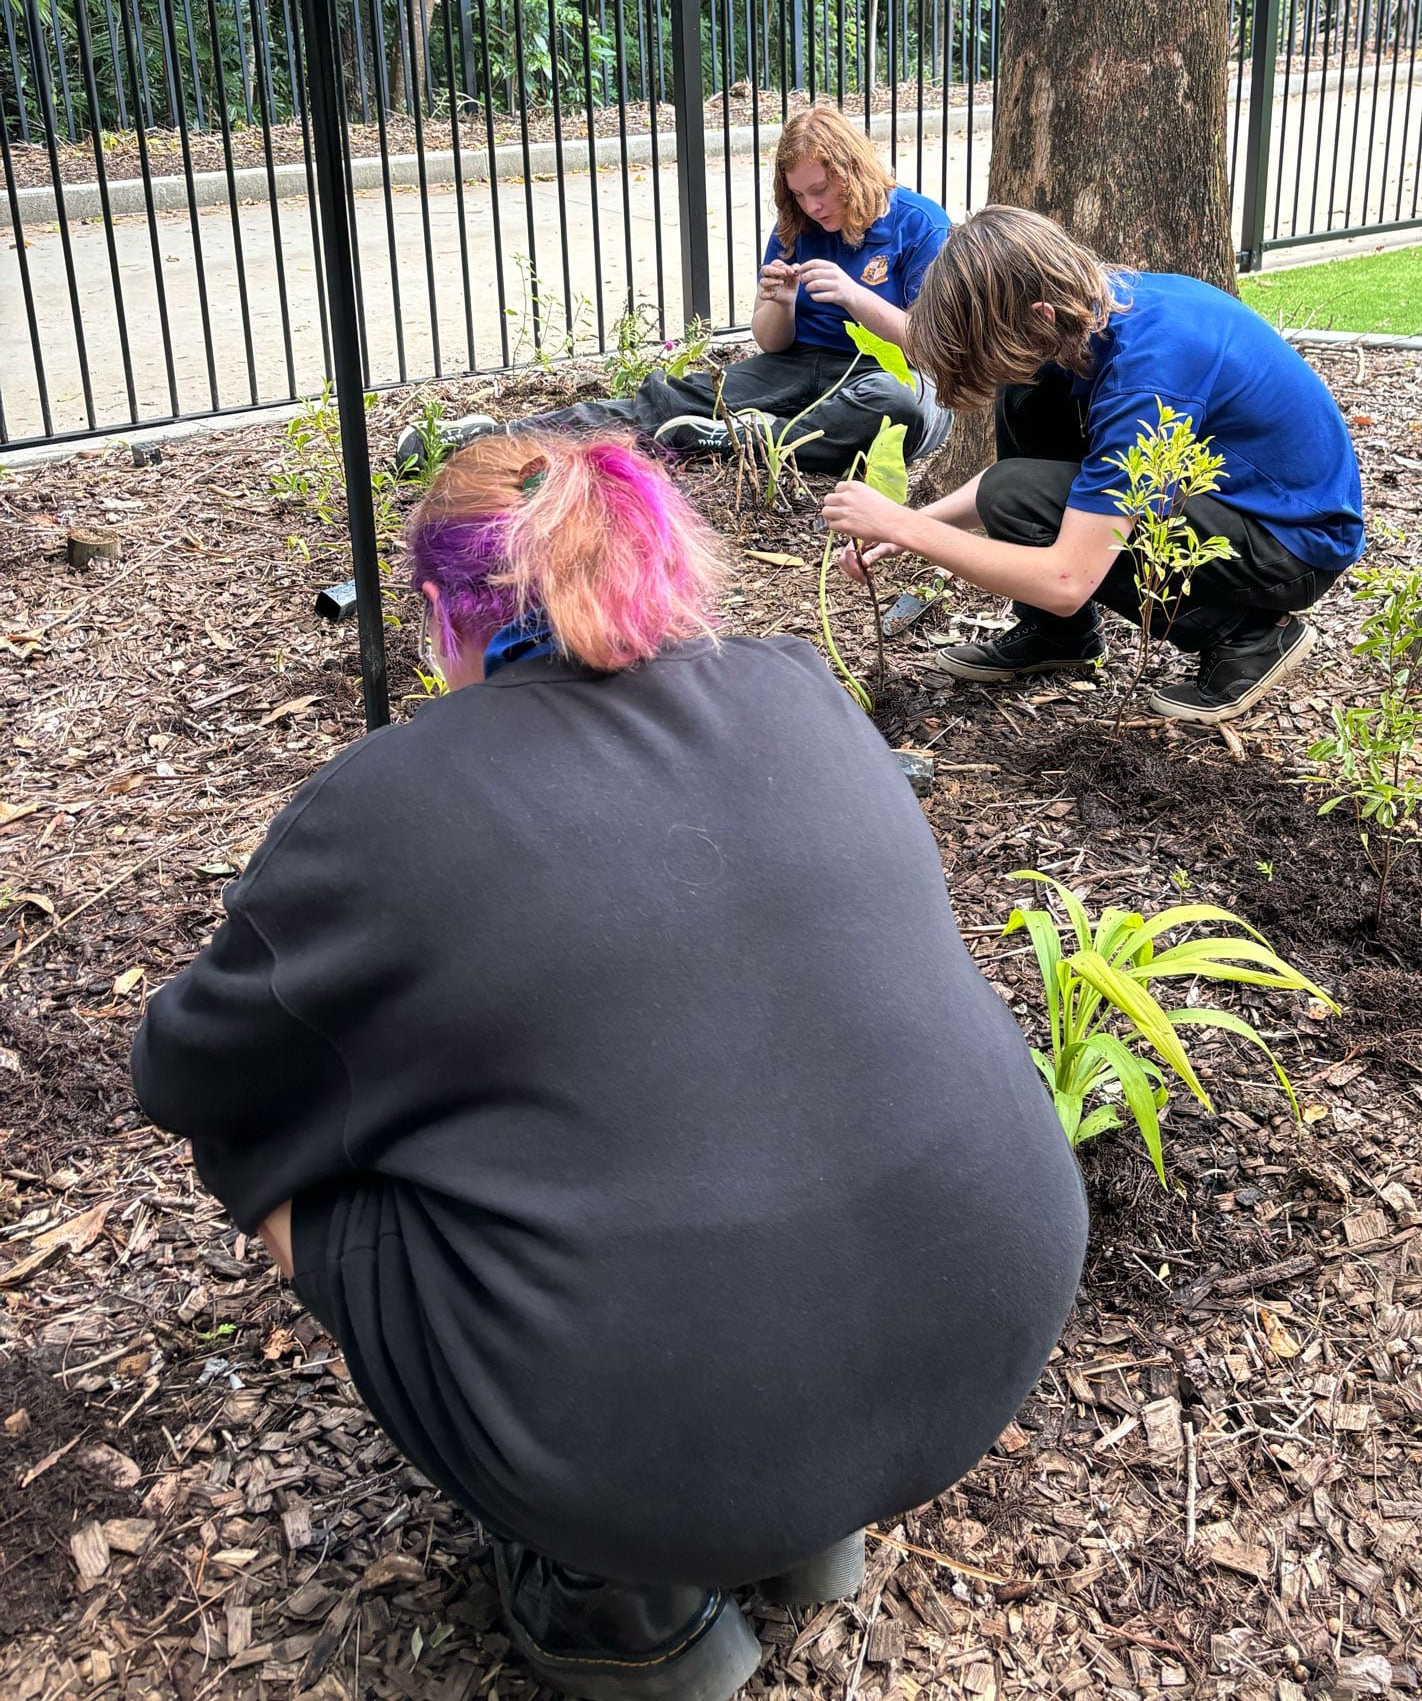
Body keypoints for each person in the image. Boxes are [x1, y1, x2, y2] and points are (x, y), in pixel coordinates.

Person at [131, 433, 1086, 1701]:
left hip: (652, 1442)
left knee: (269, 1141)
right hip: (991, 1316)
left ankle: (623, 1602)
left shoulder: (382, 805)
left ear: (435, 618)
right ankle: (812, 1529)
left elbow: (185, 1075)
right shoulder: (800, 687)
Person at [821, 207, 1365, 726]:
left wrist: (903, 527)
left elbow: (1067, 578)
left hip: (1289, 543)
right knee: (1025, 391)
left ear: (1039, 315)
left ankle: (1246, 636)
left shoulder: (1146, 378)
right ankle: (1059, 639)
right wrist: (915, 523)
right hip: (1239, 500)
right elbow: (1017, 487)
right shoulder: (1096, 313)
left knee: (1015, 484)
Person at [401, 109, 952, 480]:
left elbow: (932, 350)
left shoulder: (920, 224)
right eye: (799, 194)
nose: (811, 206)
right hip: (800, 365)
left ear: (852, 171)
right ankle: (493, 441)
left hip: (890, 373)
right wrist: (778, 304)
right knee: (667, 399)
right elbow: (771, 344)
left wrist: (855, 297)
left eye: (820, 190)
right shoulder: (797, 225)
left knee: (896, 408)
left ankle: (753, 439)